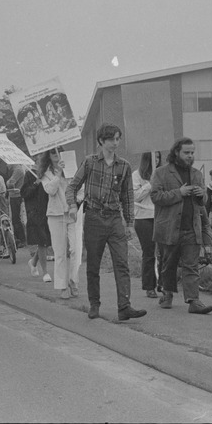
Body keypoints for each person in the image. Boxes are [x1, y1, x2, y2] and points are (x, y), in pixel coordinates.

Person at [66, 124, 146, 322]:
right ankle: (94, 304)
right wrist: (73, 206)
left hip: (114, 218)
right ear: (101, 141)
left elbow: (127, 197)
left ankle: (124, 306)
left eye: (118, 139)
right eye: (111, 139)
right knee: (93, 263)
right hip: (94, 217)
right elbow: (72, 187)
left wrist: (129, 224)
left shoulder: (124, 166)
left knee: (122, 263)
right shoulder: (90, 162)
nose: (115, 143)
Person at [149, 138, 212, 315]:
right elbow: (155, 196)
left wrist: (202, 195)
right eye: (187, 152)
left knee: (191, 266)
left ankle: (194, 301)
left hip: (192, 227)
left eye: (192, 152)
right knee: (168, 264)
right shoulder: (162, 173)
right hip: (169, 227)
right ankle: (167, 294)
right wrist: (180, 193)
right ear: (176, 152)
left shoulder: (196, 174)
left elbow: (204, 201)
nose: (190, 156)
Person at [40, 148, 78, 298]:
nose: (57, 156)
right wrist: (58, 174)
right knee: (60, 252)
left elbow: (77, 187)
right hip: (55, 215)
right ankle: (62, 286)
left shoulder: (71, 166)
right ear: (49, 156)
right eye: (53, 153)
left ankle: (74, 281)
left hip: (72, 212)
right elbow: (50, 190)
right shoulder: (46, 173)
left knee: (75, 249)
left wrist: (77, 203)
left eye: (58, 153)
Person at [133, 152, 160, 298]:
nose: (156, 160)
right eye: (153, 158)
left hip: (161, 216)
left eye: (158, 158)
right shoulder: (136, 176)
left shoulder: (162, 173)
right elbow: (136, 196)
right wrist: (150, 184)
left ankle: (164, 284)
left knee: (164, 252)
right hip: (144, 218)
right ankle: (150, 286)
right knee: (149, 252)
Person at [21, 163, 51, 282]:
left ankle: (33, 262)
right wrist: (36, 183)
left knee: (46, 241)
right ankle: (45, 272)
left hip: (48, 210)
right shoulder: (29, 174)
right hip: (35, 212)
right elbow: (24, 193)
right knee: (42, 241)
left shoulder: (49, 174)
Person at [6, 163, 28, 248]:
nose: (7, 166)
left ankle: (21, 239)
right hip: (16, 195)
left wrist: (7, 181)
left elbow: (10, 183)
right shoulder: (18, 169)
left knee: (16, 218)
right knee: (15, 218)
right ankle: (20, 239)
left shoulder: (17, 170)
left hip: (16, 195)